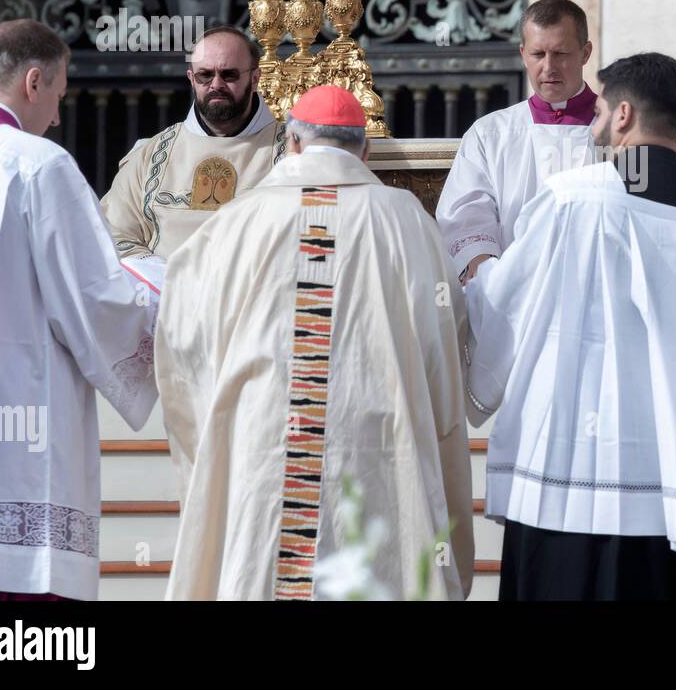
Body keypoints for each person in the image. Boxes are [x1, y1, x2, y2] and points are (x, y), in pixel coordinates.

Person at [155, 85, 473, 600]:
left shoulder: (238, 221)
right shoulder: (406, 218)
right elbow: (442, 336)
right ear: (364, 150)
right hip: (380, 436)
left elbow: (184, 333)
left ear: (294, 145)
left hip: (266, 437)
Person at [465, 53, 676, 600]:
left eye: (596, 113)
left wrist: (475, 283)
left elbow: (508, 306)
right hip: (673, 481)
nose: (592, 127)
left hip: (569, 476)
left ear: (622, 116)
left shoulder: (571, 198)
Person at [0, 19, 159, 601]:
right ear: (33, 82)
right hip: (12, 437)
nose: (60, 118)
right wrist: (167, 300)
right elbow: (96, 301)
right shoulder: (37, 164)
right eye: (60, 97)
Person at [437, 0, 597, 283]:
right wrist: (486, 269)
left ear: (585, 53)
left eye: (560, 53)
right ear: (523, 54)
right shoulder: (489, 134)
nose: (549, 67)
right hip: (512, 297)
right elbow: (465, 213)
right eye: (538, 54)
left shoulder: (619, 132)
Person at [101, 25, 287, 259]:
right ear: (191, 79)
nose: (216, 84)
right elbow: (114, 234)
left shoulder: (293, 152)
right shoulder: (150, 155)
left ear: (255, 78)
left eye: (228, 74)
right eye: (205, 75)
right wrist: (168, 282)